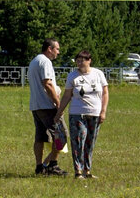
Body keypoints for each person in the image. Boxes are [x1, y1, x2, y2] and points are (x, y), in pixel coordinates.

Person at [55, 50, 109, 179]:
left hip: (95, 114)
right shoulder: (72, 76)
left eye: (82, 60)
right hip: (77, 114)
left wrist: (103, 111)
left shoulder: (98, 74)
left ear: (89, 60)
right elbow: (67, 95)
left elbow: (105, 93)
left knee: (90, 143)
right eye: (77, 61)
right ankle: (78, 171)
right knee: (79, 141)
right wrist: (60, 111)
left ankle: (87, 170)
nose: (79, 63)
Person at [28, 38, 65, 176]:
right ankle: (52, 165)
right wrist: (58, 103)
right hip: (47, 106)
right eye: (57, 49)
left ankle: (39, 167)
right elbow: (47, 83)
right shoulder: (45, 62)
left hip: (36, 105)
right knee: (62, 136)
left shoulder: (35, 61)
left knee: (40, 137)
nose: (58, 52)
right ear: (49, 49)